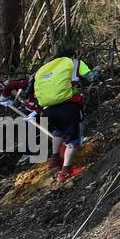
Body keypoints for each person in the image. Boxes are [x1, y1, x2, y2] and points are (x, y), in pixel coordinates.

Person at [31, 46, 97, 184]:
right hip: (68, 106)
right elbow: (92, 77)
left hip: (48, 109)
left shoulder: (46, 68)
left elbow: (30, 90)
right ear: (73, 55)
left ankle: (54, 160)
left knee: (58, 131)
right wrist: (97, 70)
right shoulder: (75, 62)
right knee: (73, 141)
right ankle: (65, 172)